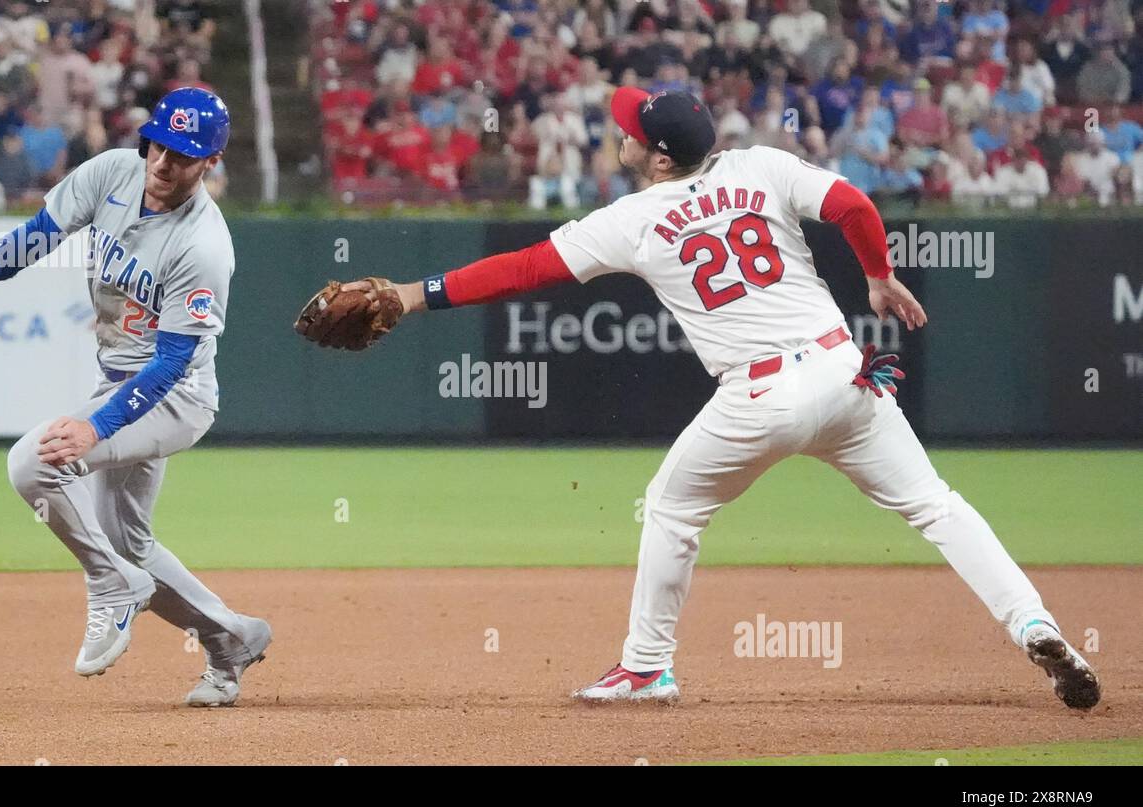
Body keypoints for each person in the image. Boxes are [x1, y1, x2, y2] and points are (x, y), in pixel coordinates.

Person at [322, 87, 1100, 711]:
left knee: (670, 507)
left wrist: (412, 293)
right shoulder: (762, 164)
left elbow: (524, 269)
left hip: (762, 392)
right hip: (846, 372)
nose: (618, 136)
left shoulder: (633, 218)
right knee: (935, 503)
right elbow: (855, 208)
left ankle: (647, 669)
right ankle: (1035, 623)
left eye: (629, 132)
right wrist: (875, 273)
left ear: (658, 156)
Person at [0, 88, 270, 708]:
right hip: (119, 381)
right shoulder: (113, 172)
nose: (163, 163)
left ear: (210, 163)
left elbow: (170, 363)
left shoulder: (204, 246)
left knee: (35, 461)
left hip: (175, 395)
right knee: (130, 540)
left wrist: (98, 427)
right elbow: (41, 233)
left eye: (183, 155)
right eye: (158, 145)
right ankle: (231, 638)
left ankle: (110, 586)